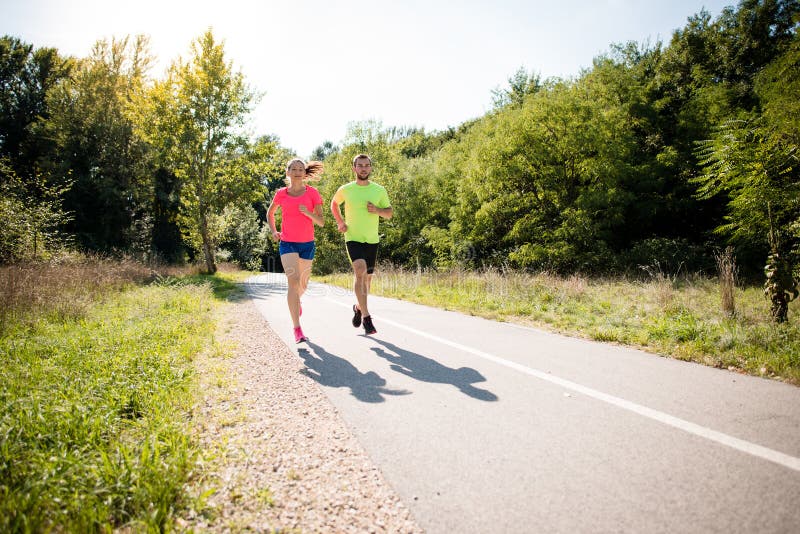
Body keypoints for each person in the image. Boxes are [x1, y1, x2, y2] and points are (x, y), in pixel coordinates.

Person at [331, 153, 393, 335]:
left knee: (367, 281)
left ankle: (359, 308)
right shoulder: (346, 189)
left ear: (371, 168)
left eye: (367, 165)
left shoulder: (379, 190)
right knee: (360, 270)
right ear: (354, 168)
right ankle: (367, 317)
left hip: (372, 239)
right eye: (360, 165)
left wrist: (377, 210)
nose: (364, 168)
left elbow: (389, 213)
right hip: (352, 236)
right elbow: (334, 204)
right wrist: (340, 222)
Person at [267, 158, 325, 343]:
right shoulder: (281, 194)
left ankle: (296, 302)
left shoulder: (313, 193)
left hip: (307, 244)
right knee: (293, 282)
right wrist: (274, 231)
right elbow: (270, 213)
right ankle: (297, 329)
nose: (298, 171)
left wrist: (307, 212)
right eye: (294, 169)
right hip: (288, 243)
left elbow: (321, 222)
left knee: (303, 285)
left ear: (305, 173)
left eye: (301, 168)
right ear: (288, 172)